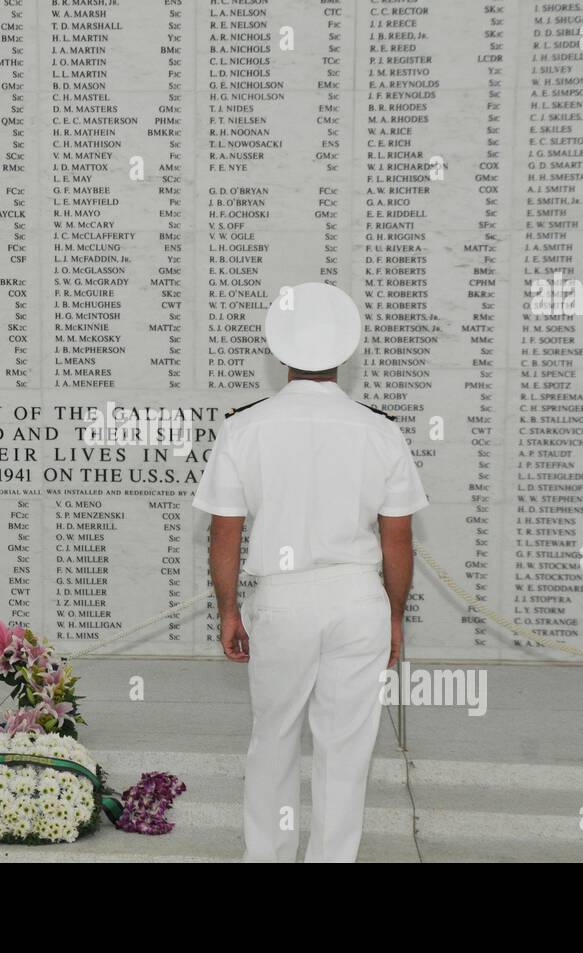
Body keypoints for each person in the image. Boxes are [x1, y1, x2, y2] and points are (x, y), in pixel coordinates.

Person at [191, 282, 429, 863]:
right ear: (346, 355)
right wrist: (394, 619)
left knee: (272, 741)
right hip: (357, 600)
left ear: (280, 354)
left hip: (282, 601)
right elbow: (399, 541)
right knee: (345, 752)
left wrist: (227, 611)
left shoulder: (245, 427)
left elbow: (226, 531)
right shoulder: (380, 429)